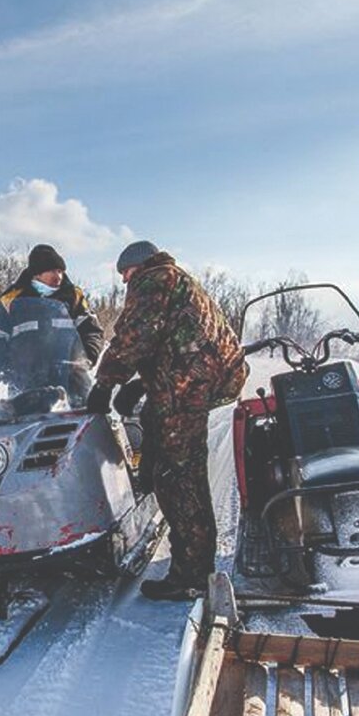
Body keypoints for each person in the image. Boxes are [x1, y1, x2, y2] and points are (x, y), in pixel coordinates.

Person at [85, 240, 248, 601]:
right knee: (166, 456)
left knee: (179, 475)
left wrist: (106, 382)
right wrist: (140, 385)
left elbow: (136, 335)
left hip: (187, 387)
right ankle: (192, 562)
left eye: (125, 275)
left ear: (136, 267)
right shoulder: (179, 280)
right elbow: (174, 340)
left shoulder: (155, 279)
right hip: (196, 380)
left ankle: (190, 575)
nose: (125, 283)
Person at [0, 244, 105, 405]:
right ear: (37, 273)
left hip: (71, 377)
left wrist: (87, 356)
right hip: (26, 381)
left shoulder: (73, 296)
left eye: (61, 271)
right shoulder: (11, 299)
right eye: (53, 271)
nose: (58, 276)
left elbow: (91, 329)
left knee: (84, 419)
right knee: (22, 424)